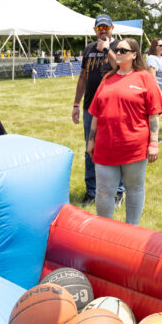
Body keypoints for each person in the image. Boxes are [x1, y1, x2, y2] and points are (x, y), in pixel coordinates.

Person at [87, 38, 162, 225]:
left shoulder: (145, 77)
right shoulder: (107, 79)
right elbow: (96, 113)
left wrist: (153, 143)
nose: (118, 52)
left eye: (123, 50)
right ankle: (105, 231)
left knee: (135, 188)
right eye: (117, 49)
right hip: (105, 146)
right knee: (104, 191)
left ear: (134, 54)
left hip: (134, 147)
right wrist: (91, 141)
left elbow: (154, 114)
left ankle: (132, 231)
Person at [72, 14, 123, 205]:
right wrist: (76, 104)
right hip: (90, 107)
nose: (103, 31)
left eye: (106, 27)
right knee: (90, 149)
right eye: (99, 28)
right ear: (95, 30)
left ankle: (117, 192)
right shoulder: (88, 49)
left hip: (113, 107)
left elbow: (120, 68)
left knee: (115, 149)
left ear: (112, 28)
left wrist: (107, 49)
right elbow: (83, 77)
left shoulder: (120, 46)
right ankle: (92, 191)